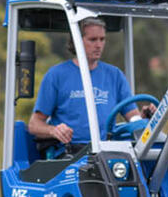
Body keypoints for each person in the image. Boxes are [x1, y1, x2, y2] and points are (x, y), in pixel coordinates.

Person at [29, 17, 155, 146]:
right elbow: (34, 124)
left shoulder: (115, 75)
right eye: (93, 40)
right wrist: (54, 130)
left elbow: (132, 117)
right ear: (76, 41)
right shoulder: (56, 75)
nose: (99, 45)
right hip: (71, 153)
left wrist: (142, 120)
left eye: (102, 39)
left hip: (107, 151)